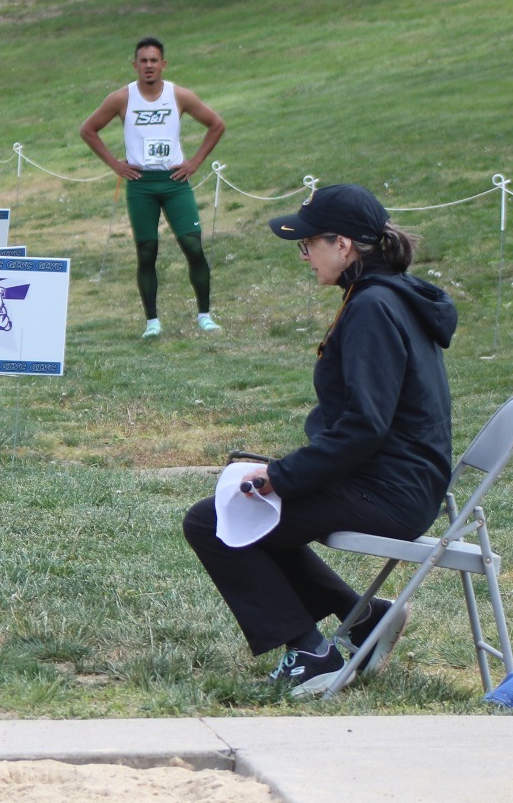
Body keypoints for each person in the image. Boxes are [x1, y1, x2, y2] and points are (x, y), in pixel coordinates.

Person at [182, 185, 454, 697]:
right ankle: (366, 619)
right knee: (249, 513)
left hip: (391, 491)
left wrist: (283, 476)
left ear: (343, 245)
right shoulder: (382, 295)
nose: (304, 254)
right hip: (397, 481)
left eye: (308, 243)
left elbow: (365, 426)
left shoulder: (374, 307)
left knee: (213, 520)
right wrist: (286, 473)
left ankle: (310, 652)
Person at [79, 36, 226, 339]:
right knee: (147, 252)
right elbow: (88, 130)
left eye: (154, 60)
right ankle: (152, 322)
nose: (148, 66)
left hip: (174, 182)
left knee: (193, 247)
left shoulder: (179, 95)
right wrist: (116, 165)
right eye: (143, 61)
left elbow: (216, 124)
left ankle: (205, 316)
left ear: (163, 64)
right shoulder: (121, 98)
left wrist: (195, 162)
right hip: (140, 184)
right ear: (135, 65)